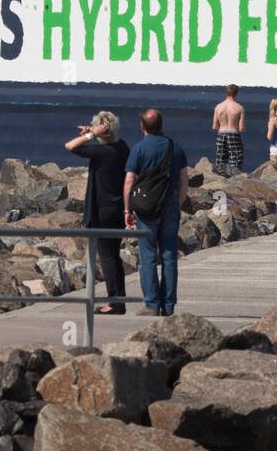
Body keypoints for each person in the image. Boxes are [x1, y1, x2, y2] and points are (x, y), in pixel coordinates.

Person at [124, 109, 188, 317]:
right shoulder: (175, 147)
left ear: (142, 126)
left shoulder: (139, 149)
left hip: (147, 207)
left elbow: (129, 181)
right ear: (161, 124)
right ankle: (168, 305)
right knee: (169, 255)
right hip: (170, 202)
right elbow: (184, 179)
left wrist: (127, 209)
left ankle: (151, 304)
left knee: (148, 255)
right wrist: (177, 204)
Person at [66, 112, 130, 315]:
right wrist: (94, 133)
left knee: (108, 257)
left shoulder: (102, 152)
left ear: (101, 129)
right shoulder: (122, 148)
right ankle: (118, 300)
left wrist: (91, 134)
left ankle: (115, 303)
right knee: (114, 255)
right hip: (118, 208)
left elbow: (70, 146)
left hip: (102, 209)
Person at [212, 84, 245, 174]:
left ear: (226, 93)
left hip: (221, 133)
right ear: (236, 94)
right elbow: (241, 128)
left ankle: (220, 179)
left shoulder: (218, 107)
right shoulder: (239, 108)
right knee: (236, 159)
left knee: (220, 159)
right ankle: (234, 181)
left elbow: (214, 126)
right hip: (234, 133)